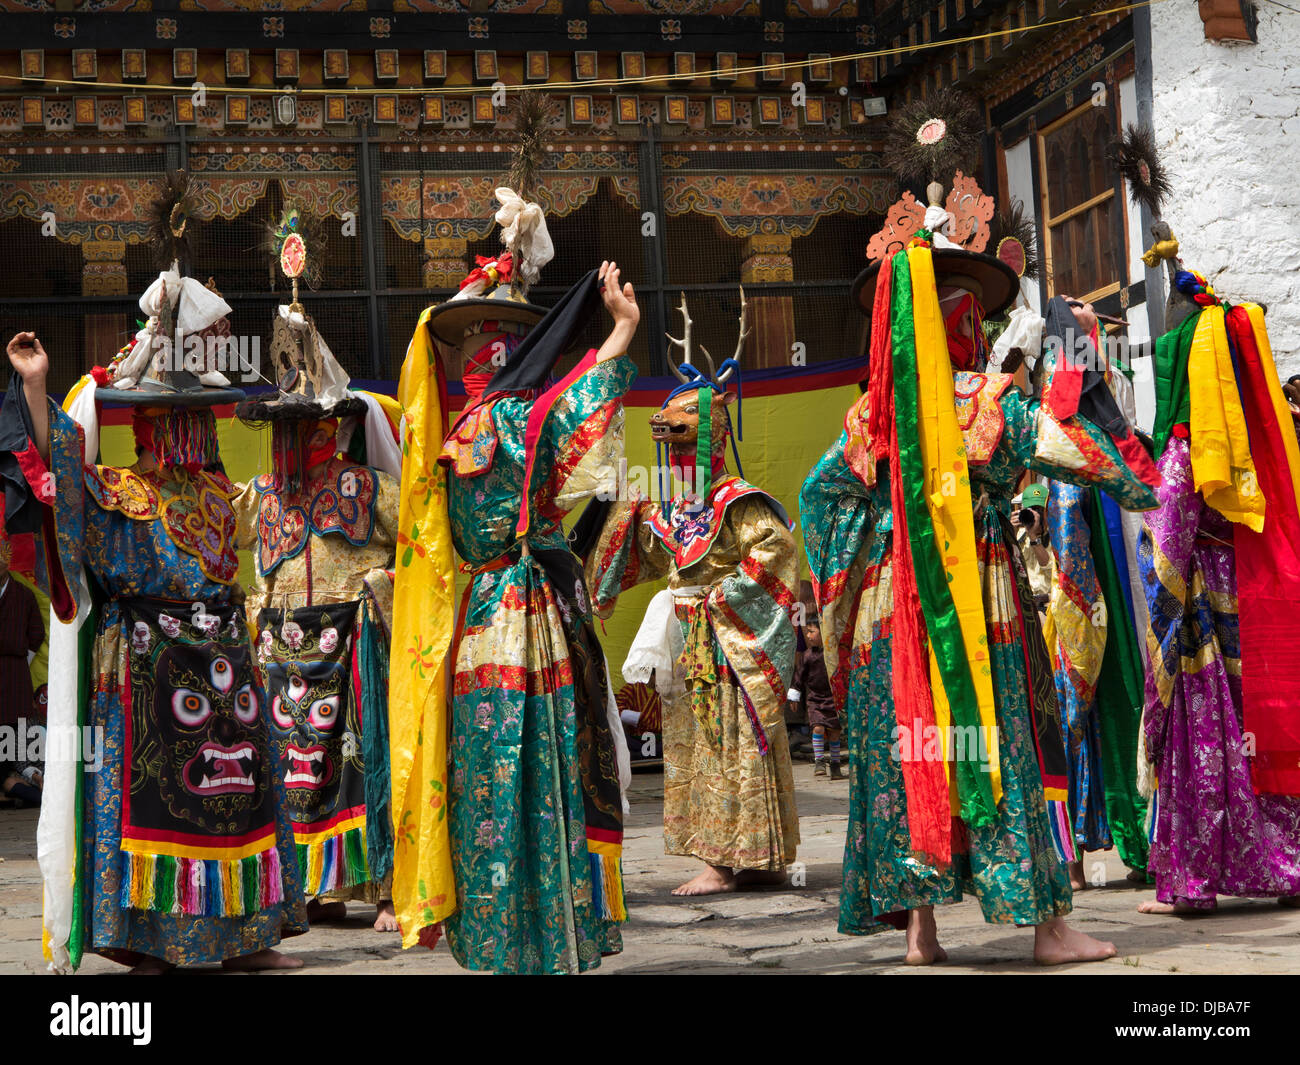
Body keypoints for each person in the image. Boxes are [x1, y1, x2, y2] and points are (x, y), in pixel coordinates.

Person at [799, 169, 1161, 965]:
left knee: (918, 748)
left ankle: (921, 931)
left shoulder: (871, 418)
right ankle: (1048, 927)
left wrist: (854, 586)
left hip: (895, 614)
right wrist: (1147, 476)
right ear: (965, 325)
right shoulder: (987, 402)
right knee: (1003, 742)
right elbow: (1078, 455)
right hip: (979, 597)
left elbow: (816, 501)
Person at [1, 176, 305, 973]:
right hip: (146, 671)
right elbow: (58, 472)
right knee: (157, 803)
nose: (189, 429)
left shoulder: (213, 490)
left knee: (232, 798)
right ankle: (147, 936)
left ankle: (246, 933)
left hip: (225, 663)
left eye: (196, 417)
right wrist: (36, 387)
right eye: (177, 418)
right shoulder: (121, 489)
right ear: (149, 424)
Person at [392, 176, 639, 972]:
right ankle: (553, 940)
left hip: (473, 621)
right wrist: (622, 329)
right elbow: (584, 402)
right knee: (547, 766)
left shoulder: (439, 436)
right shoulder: (524, 417)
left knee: (486, 776)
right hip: (535, 614)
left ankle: (493, 944)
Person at [583, 290, 801, 897]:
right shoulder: (670, 508)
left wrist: (717, 599)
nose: (675, 456)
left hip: (731, 644)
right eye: (669, 446)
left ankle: (752, 857)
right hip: (692, 644)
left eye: (684, 444)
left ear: (709, 440)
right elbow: (647, 558)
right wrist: (621, 524)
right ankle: (723, 858)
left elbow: (775, 553)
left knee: (743, 742)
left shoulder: (738, 500)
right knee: (701, 747)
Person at [232, 208, 404, 933]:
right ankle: (308, 889)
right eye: (281, 425)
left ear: (331, 426)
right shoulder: (262, 496)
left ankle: (390, 887)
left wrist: (381, 592)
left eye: (303, 425)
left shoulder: (366, 491)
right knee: (293, 779)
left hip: (350, 647)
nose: (289, 440)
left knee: (365, 766)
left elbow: (424, 543)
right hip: (282, 655)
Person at [1138, 268, 1300, 915]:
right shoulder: (1264, 442)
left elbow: (1167, 542)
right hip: (1254, 599)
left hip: (1202, 601)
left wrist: (1159, 623)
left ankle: (1193, 878)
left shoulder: (1187, 451)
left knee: (1203, 737)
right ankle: (1284, 862)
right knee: (1258, 725)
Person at [790, 615, 842, 780]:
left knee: (834, 732)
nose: (809, 636)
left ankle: (835, 764)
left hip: (832, 699)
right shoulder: (807, 656)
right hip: (815, 699)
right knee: (818, 728)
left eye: (812, 632)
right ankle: (819, 760)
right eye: (808, 632)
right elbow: (798, 676)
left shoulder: (833, 654)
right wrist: (794, 696)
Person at [0, 536, 43, 729]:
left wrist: (23, 660)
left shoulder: (24, 594)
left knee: (15, 732)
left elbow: (37, 633)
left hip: (15, 671)